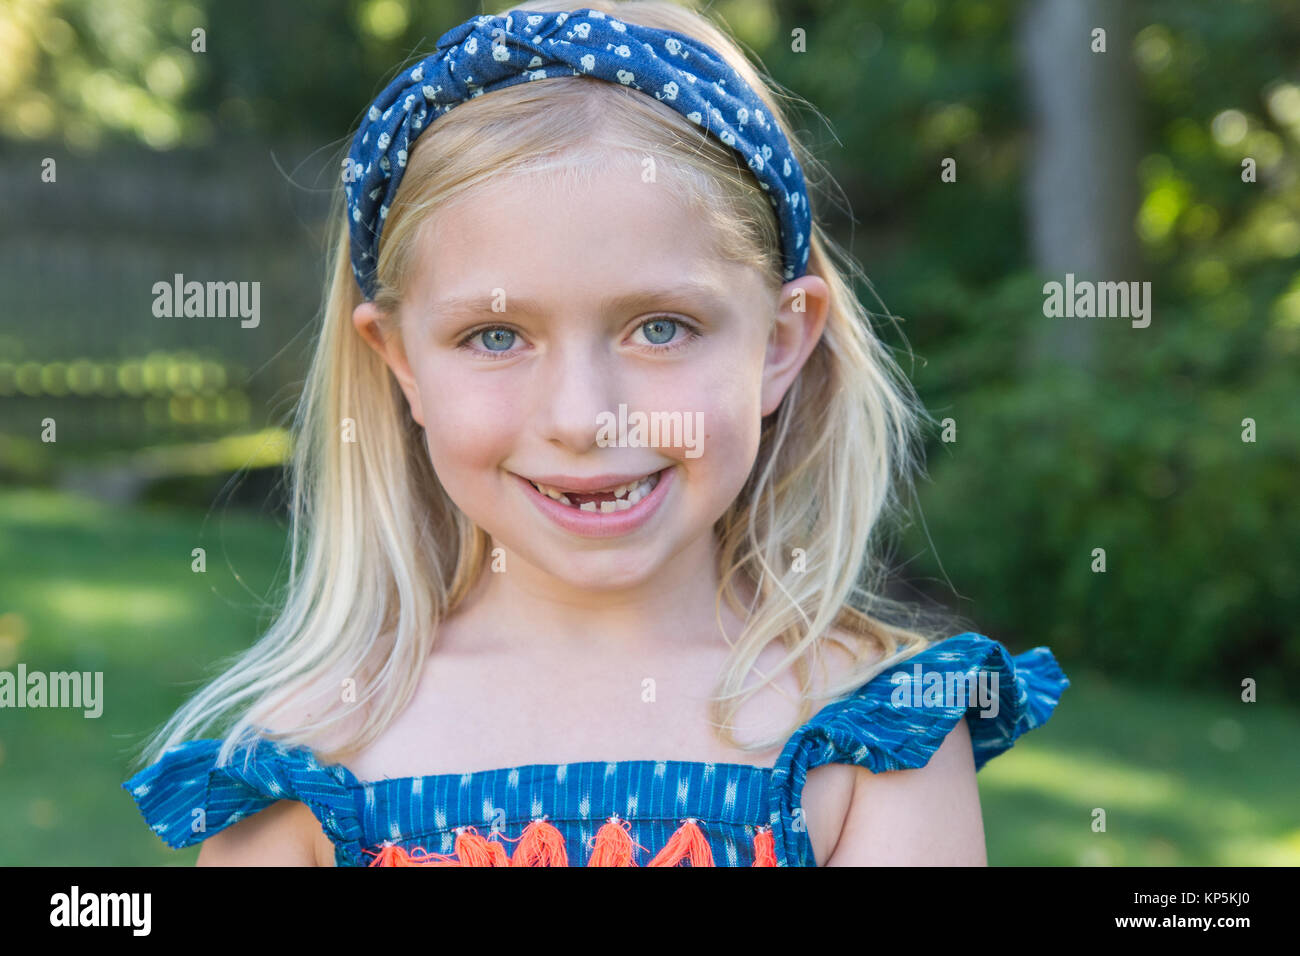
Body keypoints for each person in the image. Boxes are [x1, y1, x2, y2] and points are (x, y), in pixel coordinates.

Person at [122, 0, 1068, 867]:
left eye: (661, 327)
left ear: (782, 343)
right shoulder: (310, 758)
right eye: (495, 335)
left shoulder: (876, 737)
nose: (582, 417)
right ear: (401, 363)